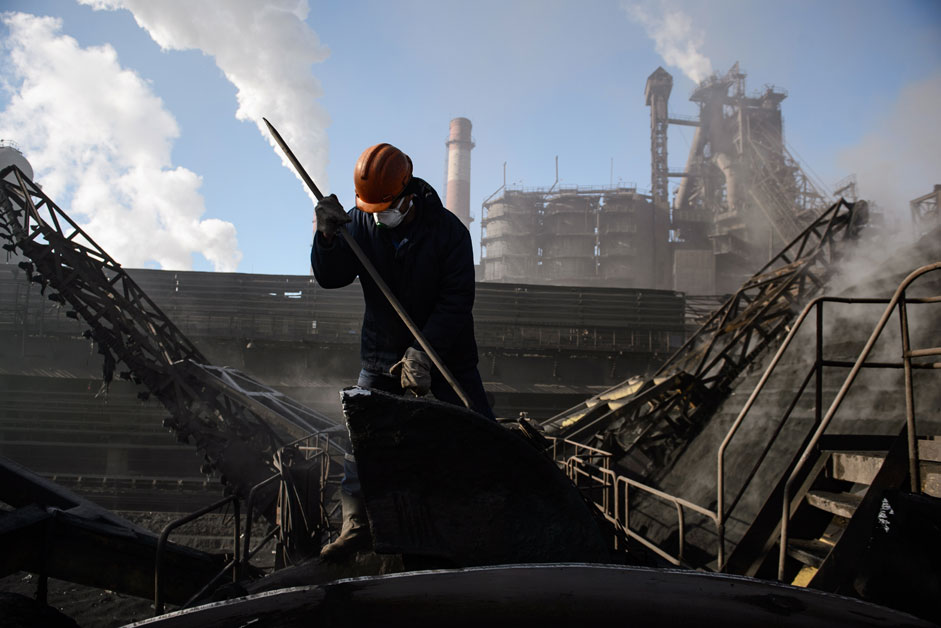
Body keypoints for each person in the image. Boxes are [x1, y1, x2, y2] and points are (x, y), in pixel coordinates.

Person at [311, 142, 494, 560]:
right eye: (370, 208)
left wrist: (423, 352)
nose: (378, 216)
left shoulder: (449, 234)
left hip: (448, 356)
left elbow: (455, 302)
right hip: (380, 355)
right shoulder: (360, 220)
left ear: (407, 192)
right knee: (362, 440)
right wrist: (326, 238)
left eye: (384, 207)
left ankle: (483, 524)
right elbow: (332, 277)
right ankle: (356, 526)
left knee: (478, 433)